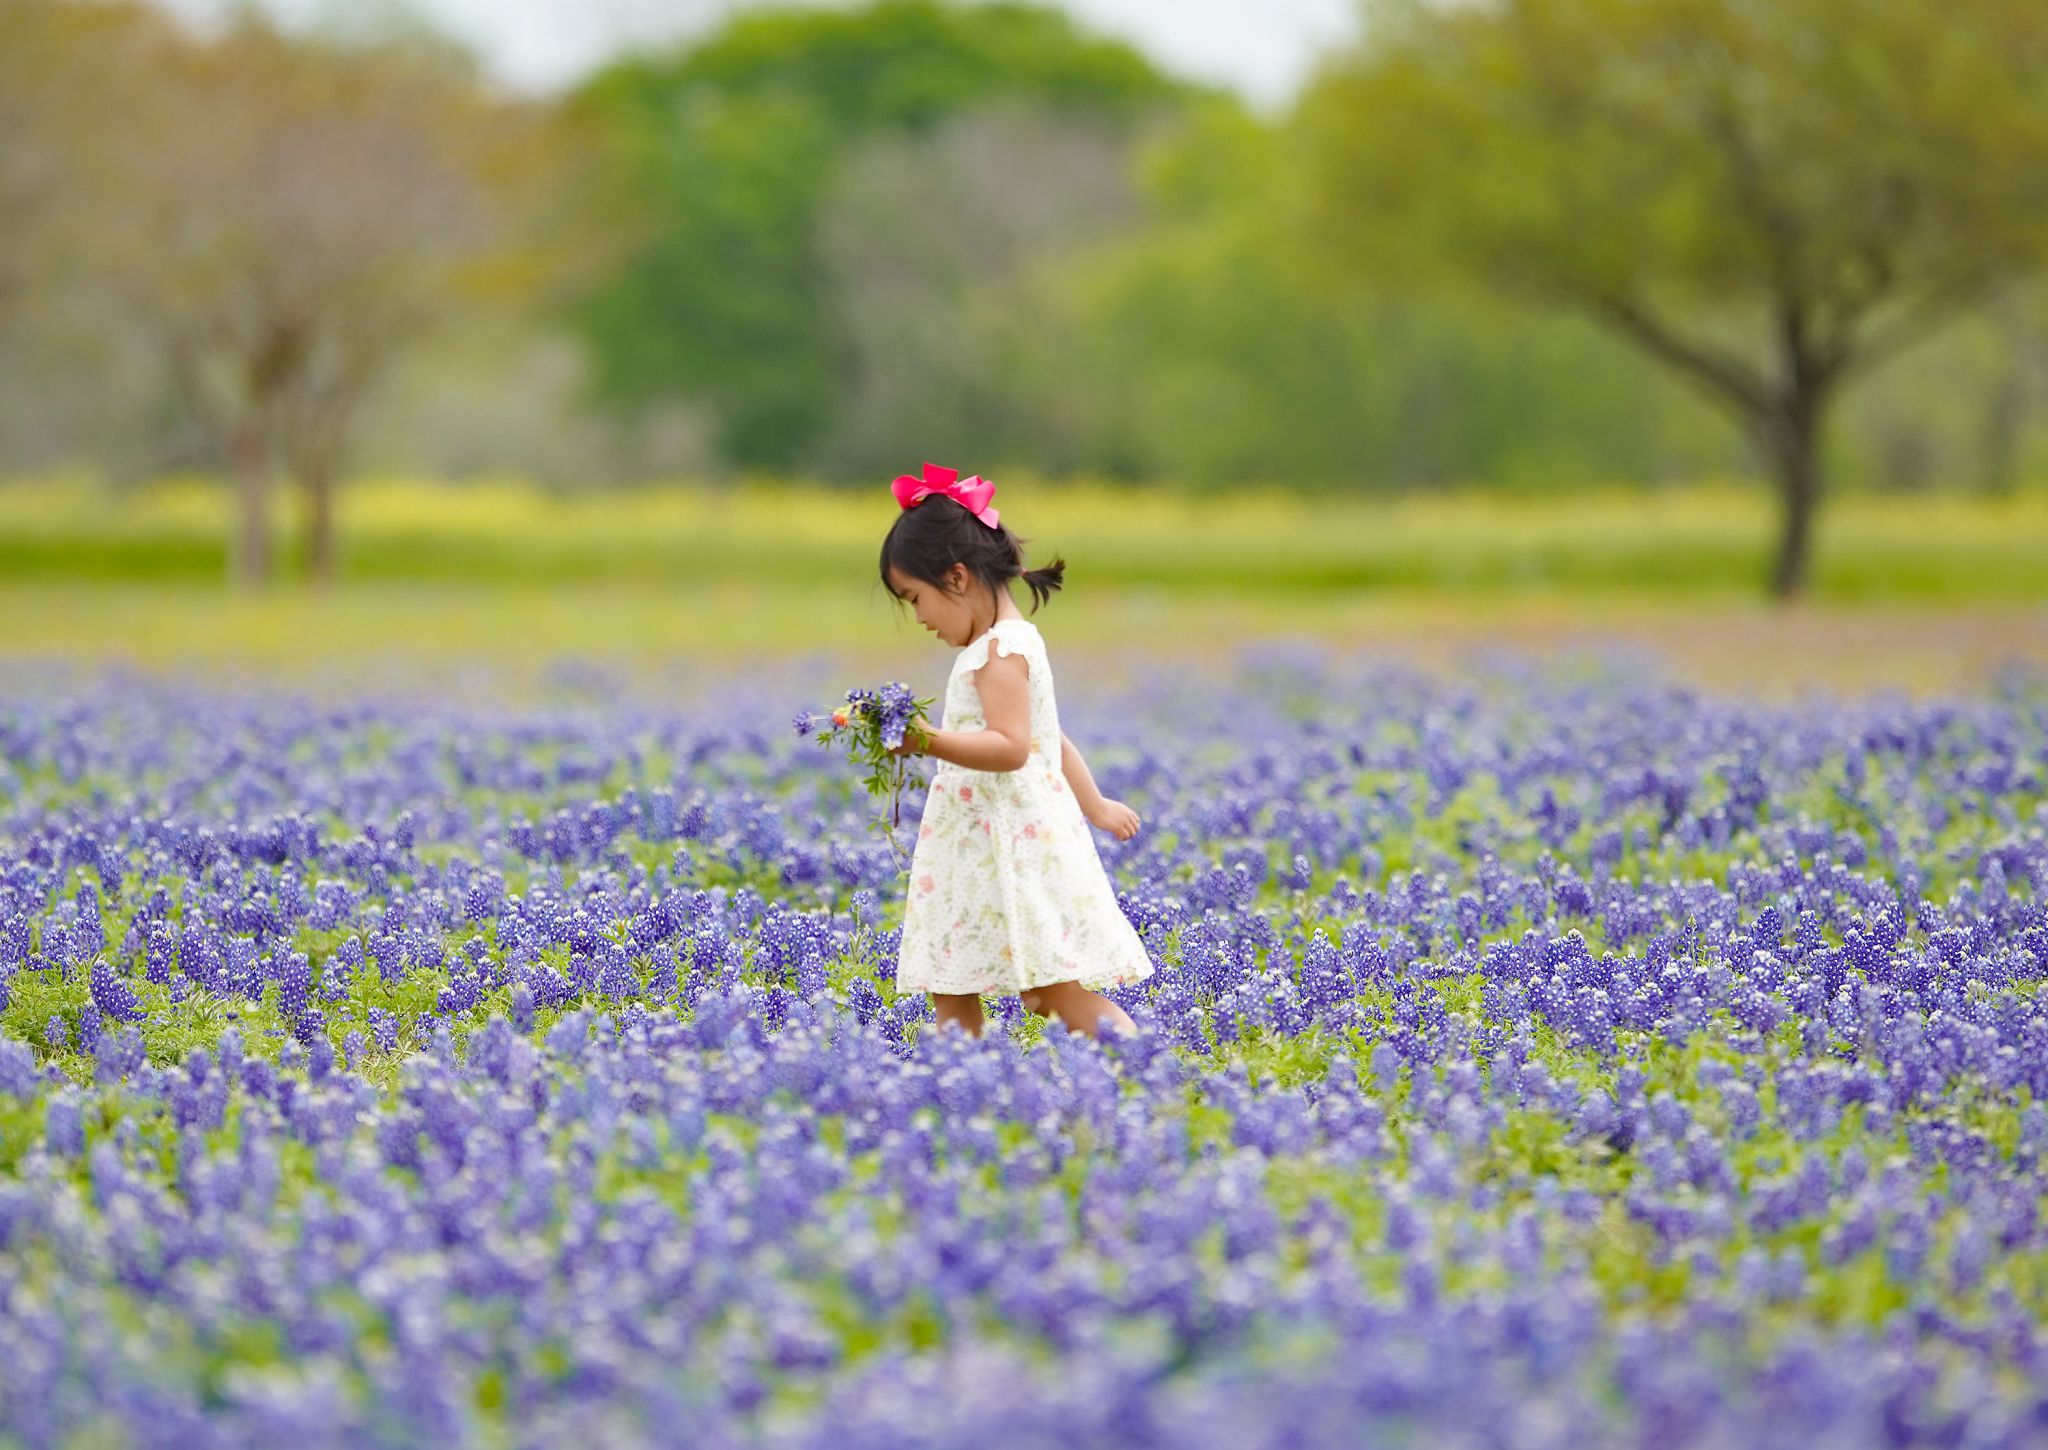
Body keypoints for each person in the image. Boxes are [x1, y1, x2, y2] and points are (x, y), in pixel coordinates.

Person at [877, 462, 1153, 1043]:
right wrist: (1094, 802)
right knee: (950, 975)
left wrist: (925, 740)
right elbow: (1050, 736)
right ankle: (960, 1076)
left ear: (955, 577)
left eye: (915, 598)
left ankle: (1139, 1062)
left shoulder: (999, 650)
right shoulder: (1003, 641)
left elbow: (1011, 747)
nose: (918, 617)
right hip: (978, 841)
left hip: (1006, 841)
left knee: (1050, 990)